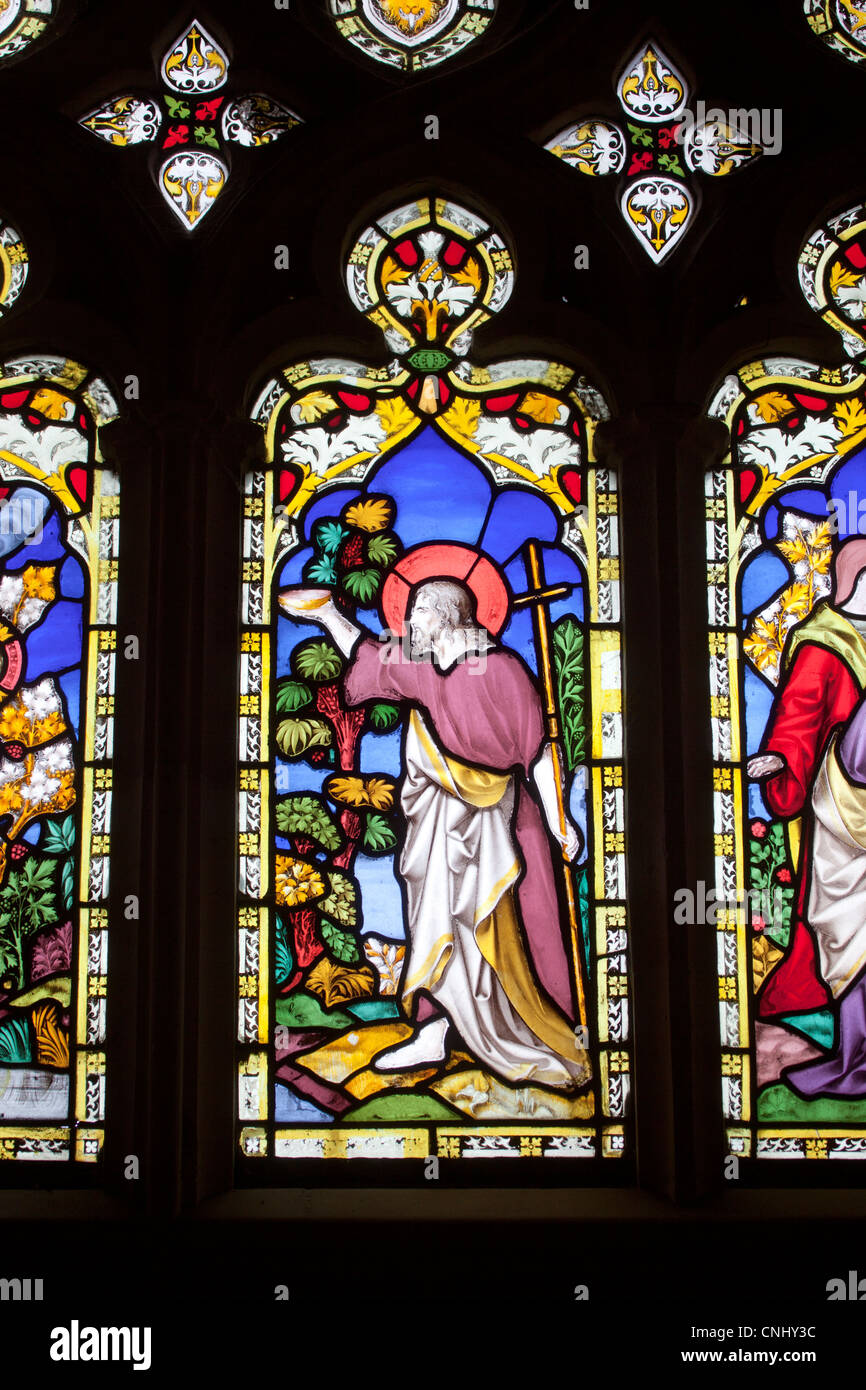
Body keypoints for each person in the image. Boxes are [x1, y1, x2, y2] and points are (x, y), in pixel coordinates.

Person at [280, 577, 590, 1091]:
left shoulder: (506, 671)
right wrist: (328, 614)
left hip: (495, 826)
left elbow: (537, 756)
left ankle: (504, 1030)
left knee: (483, 924)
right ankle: (435, 1027)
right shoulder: (423, 667)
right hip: (435, 826)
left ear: (446, 615)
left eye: (417, 610)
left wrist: (562, 825)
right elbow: (369, 652)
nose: (407, 623)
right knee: (435, 919)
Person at [748, 537, 866, 1094]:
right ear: (855, 581)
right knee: (849, 928)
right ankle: (852, 1049)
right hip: (844, 816)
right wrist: (782, 761)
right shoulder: (824, 645)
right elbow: (799, 717)